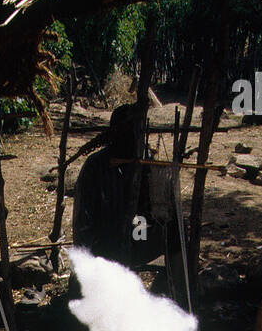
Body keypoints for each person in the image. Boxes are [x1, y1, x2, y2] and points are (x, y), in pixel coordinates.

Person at [73, 105, 185, 299]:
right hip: (105, 243)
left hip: (136, 236)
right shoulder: (96, 166)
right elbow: (83, 223)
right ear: (115, 133)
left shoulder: (145, 163)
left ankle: (178, 294)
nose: (133, 137)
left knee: (176, 232)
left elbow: (150, 212)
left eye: (136, 132)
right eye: (127, 131)